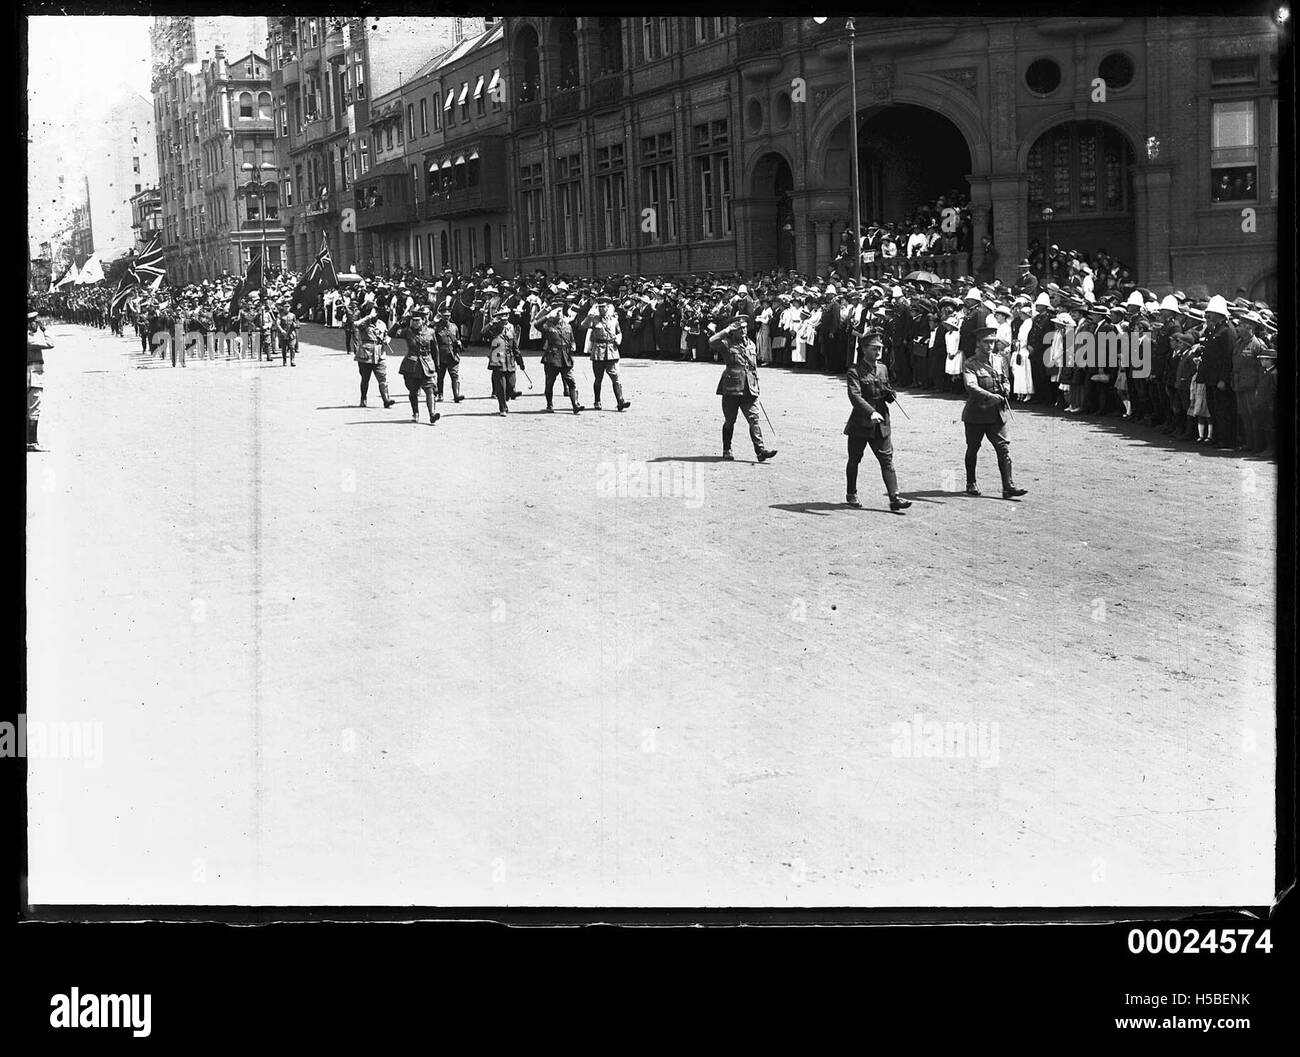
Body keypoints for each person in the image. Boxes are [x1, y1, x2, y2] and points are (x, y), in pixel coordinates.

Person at [844, 328, 910, 512]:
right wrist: (870, 412)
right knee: (855, 459)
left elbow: (886, 389)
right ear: (864, 349)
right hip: (861, 422)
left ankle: (894, 497)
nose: (878, 351)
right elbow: (855, 396)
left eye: (879, 348)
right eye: (874, 348)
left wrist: (890, 394)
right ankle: (851, 493)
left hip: (881, 422)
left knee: (887, 459)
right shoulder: (855, 371)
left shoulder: (883, 368)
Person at [962, 325, 1027, 499]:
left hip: (997, 413)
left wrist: (1006, 388)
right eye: (986, 342)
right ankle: (971, 483)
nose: (990, 345)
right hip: (977, 413)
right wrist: (991, 396)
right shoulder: (970, 363)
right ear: (978, 343)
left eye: (992, 342)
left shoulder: (999, 360)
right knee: (973, 448)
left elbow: (1005, 379)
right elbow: (971, 386)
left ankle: (1008, 486)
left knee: (1003, 448)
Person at [709, 313, 776, 462]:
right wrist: (727, 330)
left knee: (754, 419)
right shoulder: (726, 343)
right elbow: (712, 341)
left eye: (744, 328)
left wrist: (756, 386)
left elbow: (753, 367)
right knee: (730, 421)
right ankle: (727, 449)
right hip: (731, 388)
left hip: (748, 388)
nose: (743, 331)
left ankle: (760, 451)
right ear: (733, 330)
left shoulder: (751, 344)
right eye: (739, 328)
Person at [537, 301, 584, 414]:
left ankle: (575, 405)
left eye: (561, 312)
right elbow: (536, 325)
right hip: (552, 357)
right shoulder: (548, 326)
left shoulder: (567, 326)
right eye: (557, 312)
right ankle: (549, 405)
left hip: (565, 357)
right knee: (550, 383)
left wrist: (573, 346)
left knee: (571, 381)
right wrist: (547, 316)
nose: (559, 314)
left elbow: (572, 339)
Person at [396, 305, 441, 425]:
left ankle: (432, 414)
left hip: (427, 364)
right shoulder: (407, 331)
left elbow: (435, 350)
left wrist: (437, 366)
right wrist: (400, 322)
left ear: (423, 320)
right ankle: (415, 413)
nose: (415, 323)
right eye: (413, 320)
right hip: (412, 365)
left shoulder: (430, 332)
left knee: (430, 389)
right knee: (413, 391)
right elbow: (392, 333)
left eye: (418, 320)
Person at [584, 300, 631, 411]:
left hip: (611, 350)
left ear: (608, 307)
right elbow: (584, 326)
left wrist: (618, 339)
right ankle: (597, 401)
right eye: (599, 307)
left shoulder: (614, 320)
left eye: (603, 307)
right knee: (598, 378)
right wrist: (589, 317)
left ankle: (620, 401)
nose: (601, 309)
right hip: (598, 351)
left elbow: (619, 332)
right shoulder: (594, 319)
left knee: (615, 377)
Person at [353, 303, 397, 408]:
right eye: (373, 311)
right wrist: (369, 317)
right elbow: (356, 324)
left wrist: (387, 340)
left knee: (383, 378)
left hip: (379, 353)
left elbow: (388, 335)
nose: (376, 314)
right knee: (365, 379)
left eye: (376, 312)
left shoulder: (381, 323)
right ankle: (363, 398)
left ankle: (386, 400)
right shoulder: (364, 323)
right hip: (365, 355)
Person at [485, 306, 524, 415]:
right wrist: (491, 324)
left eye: (506, 317)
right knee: (501, 386)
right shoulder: (494, 329)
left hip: (510, 359)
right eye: (502, 318)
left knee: (511, 384)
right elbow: (483, 332)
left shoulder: (511, 328)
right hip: (497, 359)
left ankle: (508, 395)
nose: (504, 320)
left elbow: (515, 346)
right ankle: (502, 408)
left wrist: (520, 362)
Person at [27, 309, 53, 452]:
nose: (36, 324)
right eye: (34, 322)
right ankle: (32, 442)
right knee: (34, 409)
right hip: (33, 375)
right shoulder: (30, 339)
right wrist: (45, 330)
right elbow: (50, 343)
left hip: (31, 374)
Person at [431, 308, 465, 402]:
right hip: (441, 355)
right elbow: (432, 340)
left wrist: (459, 344)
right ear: (441, 316)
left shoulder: (454, 327)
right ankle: (440, 395)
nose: (447, 318)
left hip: (452, 355)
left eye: (448, 316)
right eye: (445, 316)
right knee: (440, 376)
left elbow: (458, 338)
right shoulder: (436, 328)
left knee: (454, 375)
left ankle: (456, 395)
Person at [275, 300, 299, 366]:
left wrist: (295, 325)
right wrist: (281, 330)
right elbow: (277, 324)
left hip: (291, 334)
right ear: (283, 307)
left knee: (292, 347)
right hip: (283, 334)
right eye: (285, 307)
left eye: (288, 307)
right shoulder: (280, 315)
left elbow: (296, 323)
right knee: (284, 348)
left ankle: (292, 361)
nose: (287, 308)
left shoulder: (292, 315)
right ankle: (284, 360)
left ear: (290, 307)